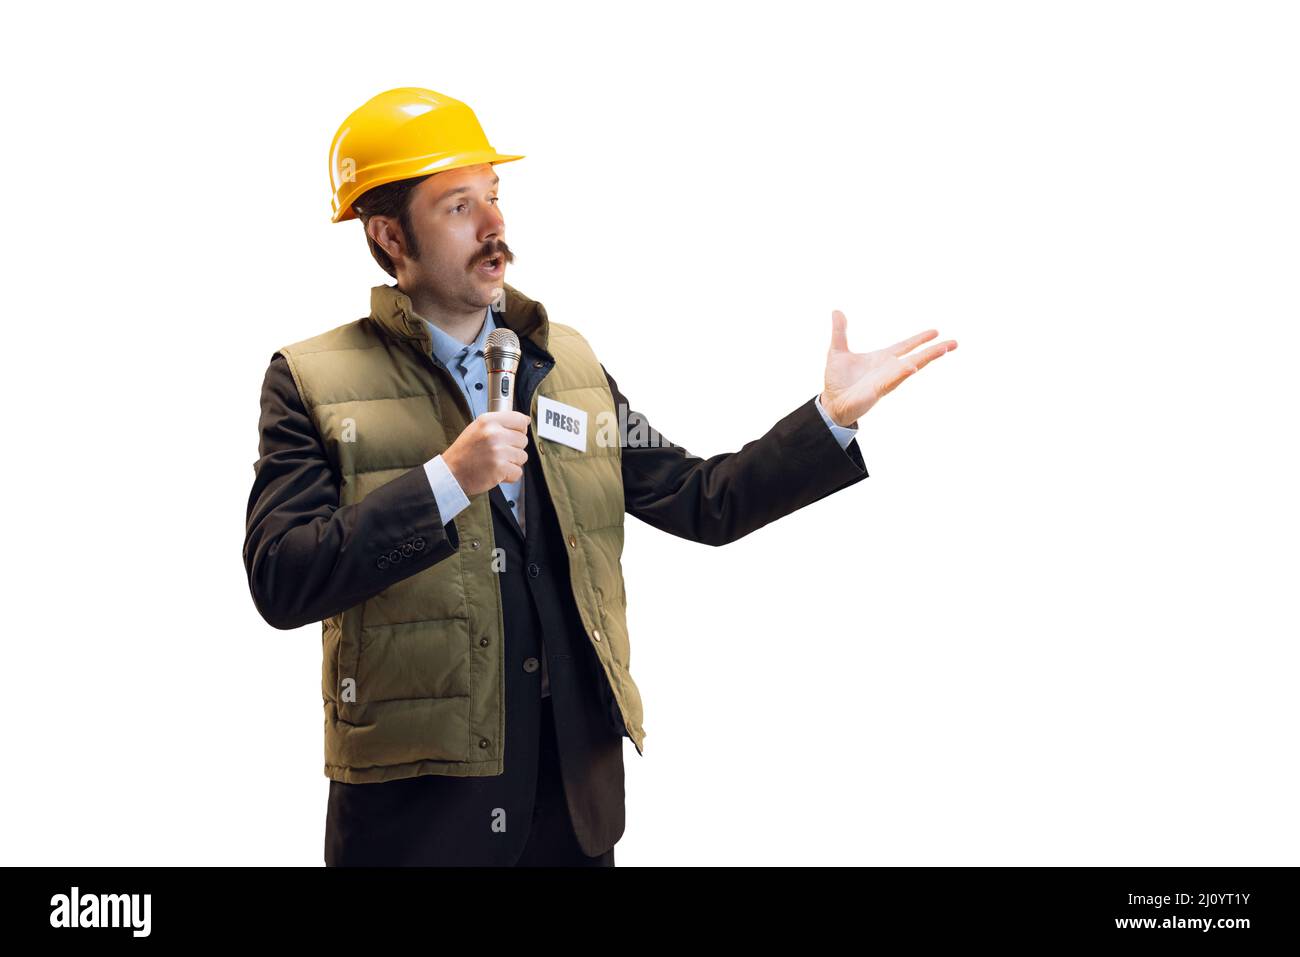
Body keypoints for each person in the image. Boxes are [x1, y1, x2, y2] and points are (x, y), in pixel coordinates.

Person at [242, 87, 957, 866]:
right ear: (389, 236)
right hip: (416, 819)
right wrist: (447, 481)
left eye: (493, 196)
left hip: (572, 805)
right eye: (457, 207)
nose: (494, 226)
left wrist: (828, 420)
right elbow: (284, 577)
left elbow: (699, 498)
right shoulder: (310, 380)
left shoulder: (570, 367)